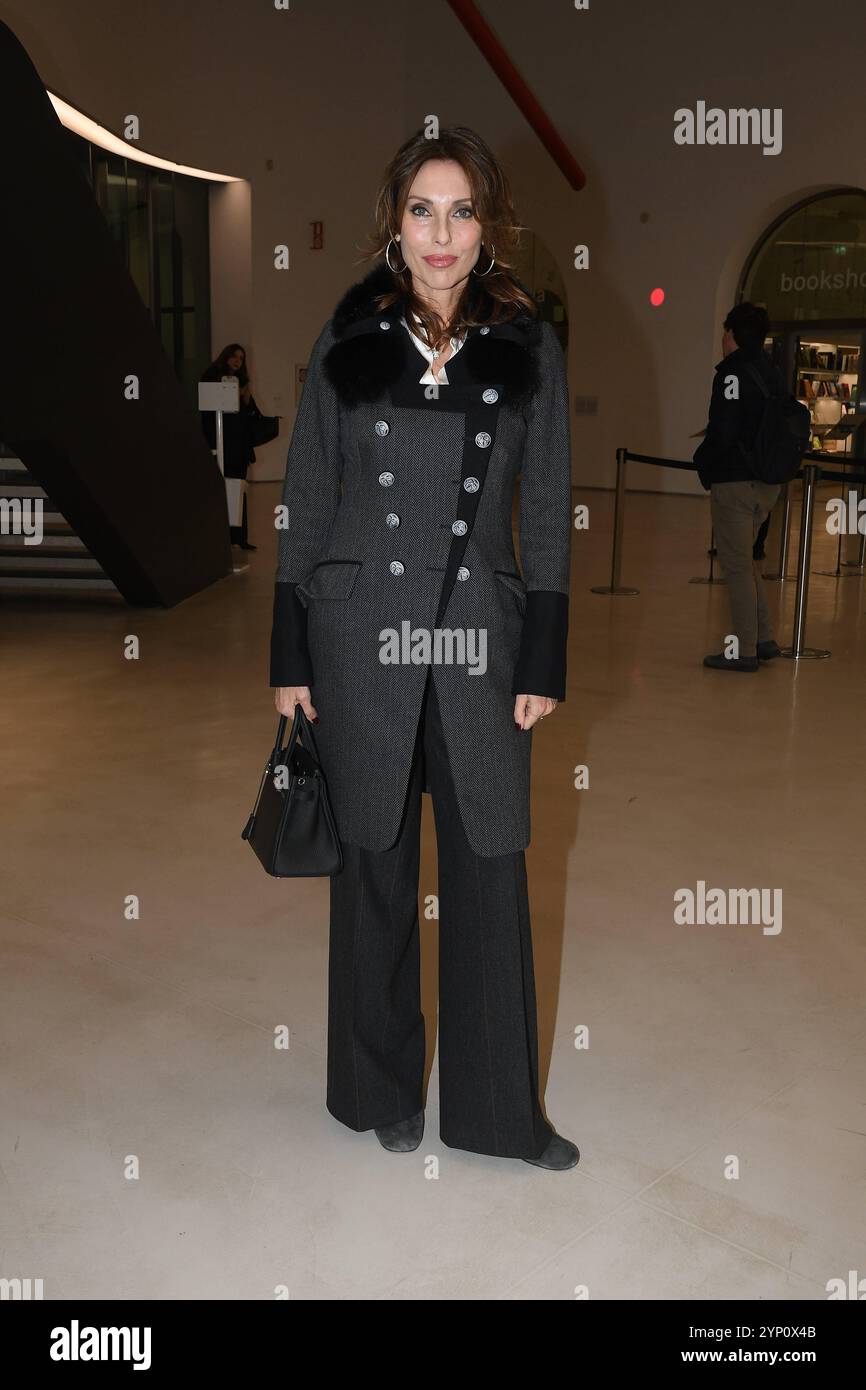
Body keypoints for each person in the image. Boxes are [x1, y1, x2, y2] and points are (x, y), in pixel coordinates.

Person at [268, 126, 578, 1169]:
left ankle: (498, 1112)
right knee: (376, 861)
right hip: (357, 632)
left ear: (488, 224)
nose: (439, 235)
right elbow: (307, 496)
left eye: (459, 211)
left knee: (490, 858)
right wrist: (289, 654)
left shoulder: (528, 344)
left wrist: (543, 655)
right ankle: (374, 1085)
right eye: (419, 210)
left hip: (482, 641)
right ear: (391, 220)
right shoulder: (346, 337)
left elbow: (547, 503)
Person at [694, 303, 783, 671]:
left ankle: (743, 650)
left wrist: (705, 461)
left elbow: (725, 429)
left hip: (736, 482)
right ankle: (762, 638)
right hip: (768, 482)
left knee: (735, 566)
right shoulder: (771, 371)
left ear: (731, 335)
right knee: (748, 563)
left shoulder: (731, 373)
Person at [201, 344, 279, 549]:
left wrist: (245, 397)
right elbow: (209, 411)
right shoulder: (211, 377)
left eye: (241, 358)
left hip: (238, 445)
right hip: (219, 442)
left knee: (238, 489)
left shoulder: (242, 382)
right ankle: (220, 536)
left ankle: (239, 538)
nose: (237, 361)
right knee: (220, 489)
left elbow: (249, 413)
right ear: (225, 357)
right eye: (233, 356)